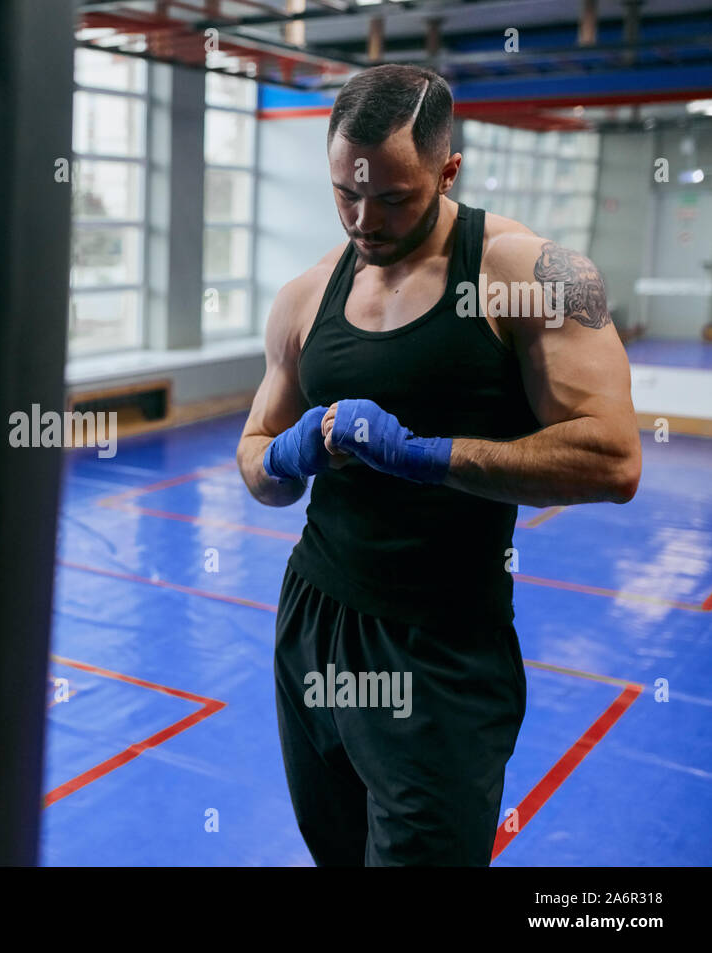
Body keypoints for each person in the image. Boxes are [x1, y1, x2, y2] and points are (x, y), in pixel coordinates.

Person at [235, 63, 641, 866]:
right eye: (346, 195)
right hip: (313, 622)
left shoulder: (530, 274)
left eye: (392, 198)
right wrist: (289, 453)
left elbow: (614, 457)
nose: (363, 220)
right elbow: (254, 461)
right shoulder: (307, 294)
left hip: (442, 646)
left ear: (448, 169)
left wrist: (425, 457)